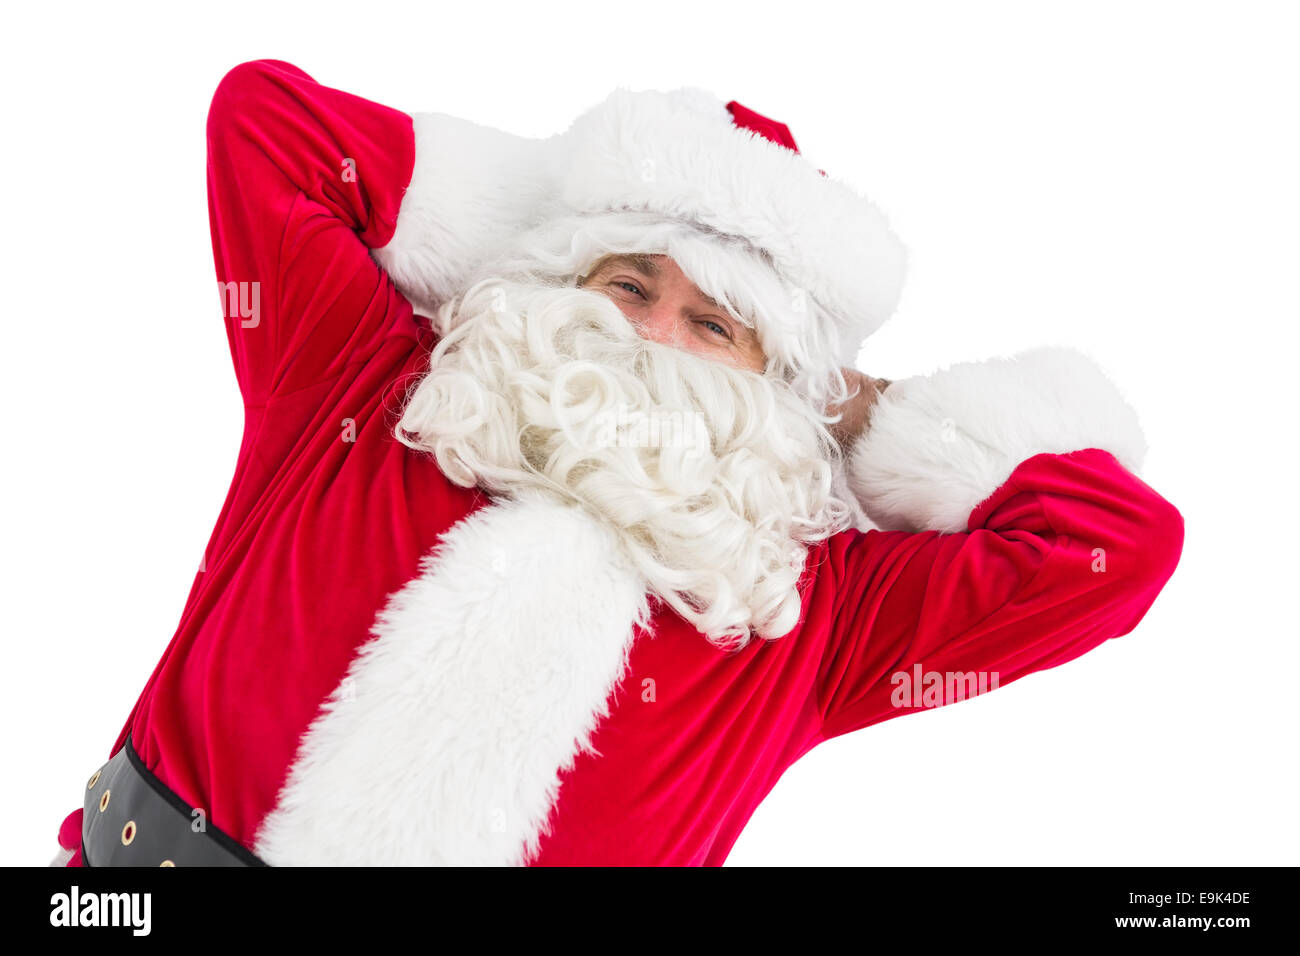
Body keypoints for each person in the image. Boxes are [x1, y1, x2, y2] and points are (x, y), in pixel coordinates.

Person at [51, 59, 1184, 867]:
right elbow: (269, 123)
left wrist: (865, 411)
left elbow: (1113, 547)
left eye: (715, 326)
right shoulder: (366, 387)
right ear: (554, 278)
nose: (647, 339)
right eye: (627, 283)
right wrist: (557, 199)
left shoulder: (808, 609)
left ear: (777, 387)